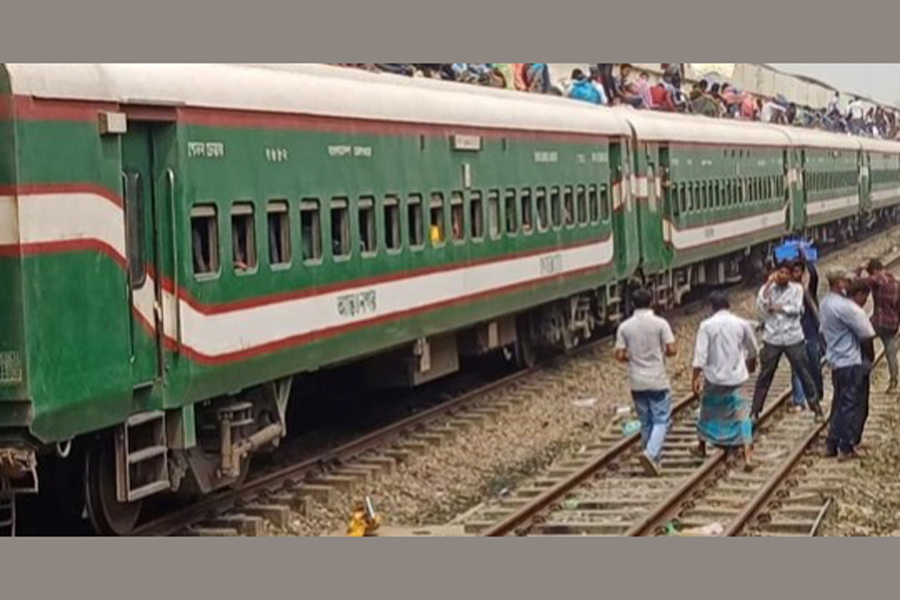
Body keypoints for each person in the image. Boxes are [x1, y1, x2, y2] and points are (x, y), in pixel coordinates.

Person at [691, 290, 760, 471]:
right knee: (742, 416)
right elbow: (753, 349)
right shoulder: (741, 323)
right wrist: (751, 365)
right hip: (736, 378)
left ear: (712, 307)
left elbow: (700, 356)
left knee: (707, 413)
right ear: (729, 305)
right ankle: (748, 457)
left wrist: (695, 378)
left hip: (714, 379)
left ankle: (701, 447)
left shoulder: (706, 326)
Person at [614, 288, 677, 476]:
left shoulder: (625, 327)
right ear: (651, 302)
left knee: (645, 422)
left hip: (637, 382)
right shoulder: (660, 324)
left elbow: (619, 355)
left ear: (633, 304)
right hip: (657, 379)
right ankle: (650, 453)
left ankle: (653, 461)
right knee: (661, 420)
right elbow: (672, 349)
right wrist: (661, 353)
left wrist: (631, 356)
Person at [751, 262, 824, 423]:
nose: (782, 276)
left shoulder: (797, 289)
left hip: (793, 337)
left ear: (790, 275)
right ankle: (755, 411)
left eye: (785, 273)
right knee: (765, 376)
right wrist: (768, 285)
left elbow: (797, 309)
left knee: (804, 373)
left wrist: (779, 308)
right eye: (779, 273)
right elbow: (761, 307)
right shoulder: (767, 289)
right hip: (772, 338)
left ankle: (816, 408)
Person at [819, 268, 876, 460]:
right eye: (846, 280)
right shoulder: (847, 308)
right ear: (839, 283)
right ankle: (846, 446)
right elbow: (867, 334)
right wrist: (868, 360)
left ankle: (831, 443)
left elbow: (822, 333)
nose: (849, 283)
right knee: (852, 404)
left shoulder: (825, 303)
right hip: (851, 360)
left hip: (836, 361)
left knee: (839, 403)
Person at [855, 258, 900, 391]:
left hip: (877, 323)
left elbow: (856, 283)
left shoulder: (878, 279)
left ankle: (865, 365)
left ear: (874, 271)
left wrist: (860, 268)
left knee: (862, 338)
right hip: (892, 325)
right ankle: (894, 380)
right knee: (891, 352)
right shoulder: (897, 283)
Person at [790, 259, 823, 412]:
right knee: (797, 369)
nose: (794, 275)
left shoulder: (808, 291)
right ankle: (799, 400)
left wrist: (807, 260)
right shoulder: (788, 293)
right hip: (795, 336)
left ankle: (817, 393)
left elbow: (814, 276)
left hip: (811, 334)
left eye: (797, 271)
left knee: (814, 365)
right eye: (792, 272)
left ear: (802, 273)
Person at [846, 278, 874, 452]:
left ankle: (840, 441)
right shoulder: (856, 314)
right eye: (865, 296)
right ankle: (850, 441)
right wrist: (869, 361)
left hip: (842, 363)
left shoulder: (839, 310)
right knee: (858, 405)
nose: (865, 301)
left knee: (843, 403)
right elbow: (866, 338)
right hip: (857, 363)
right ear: (859, 295)